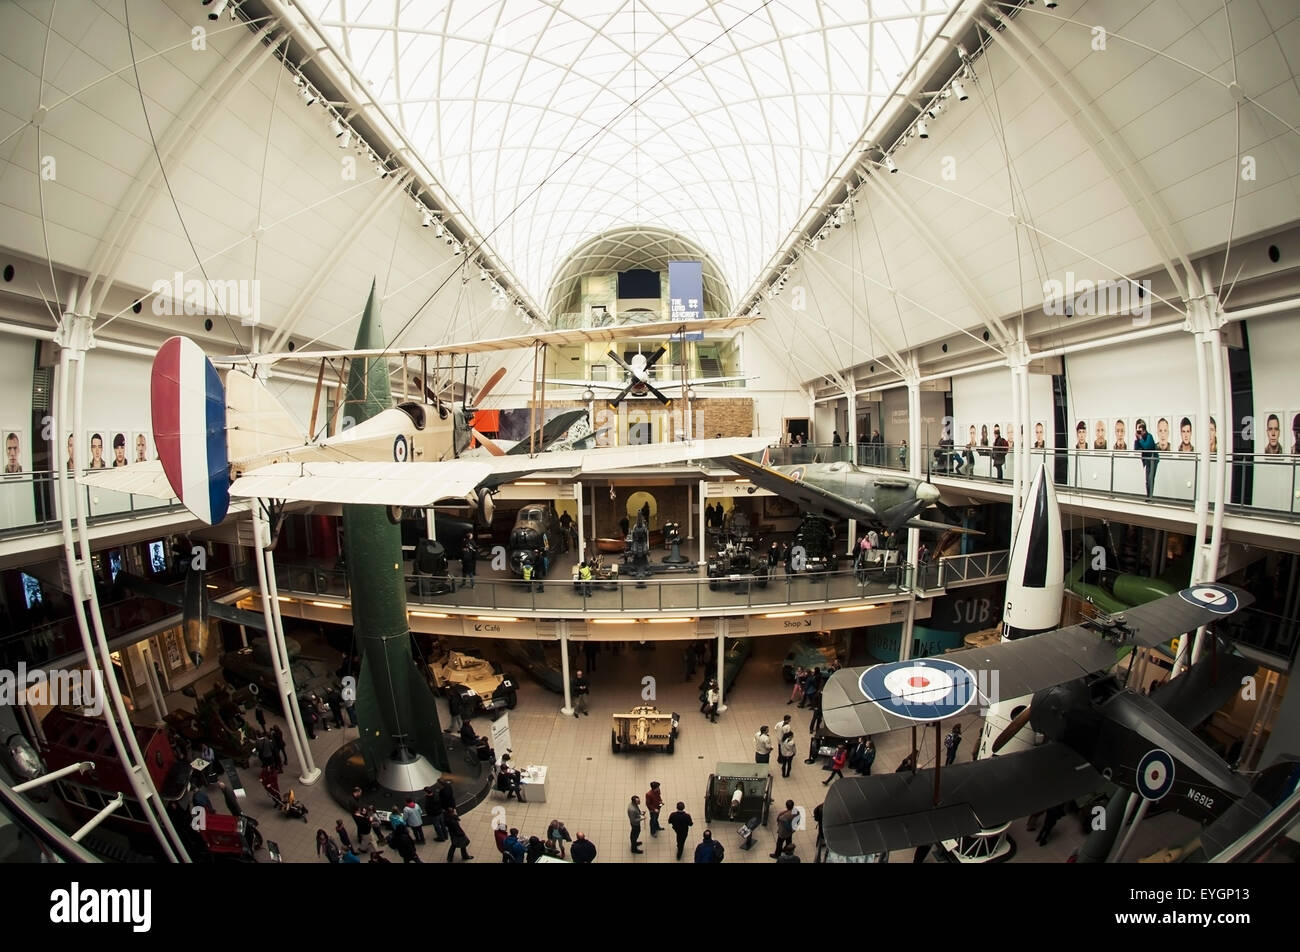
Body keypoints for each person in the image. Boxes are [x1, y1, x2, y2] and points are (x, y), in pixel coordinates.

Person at [1135, 419, 1158, 498]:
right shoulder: (1141, 438)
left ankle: (1150, 497)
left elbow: (1147, 447)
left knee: (1150, 478)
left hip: (1153, 460)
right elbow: (1136, 449)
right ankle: (1148, 496)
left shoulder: (1149, 436)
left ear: (1144, 431)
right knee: (1147, 480)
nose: (1140, 433)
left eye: (1141, 431)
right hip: (1147, 460)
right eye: (1138, 432)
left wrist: (1140, 439)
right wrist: (1137, 440)